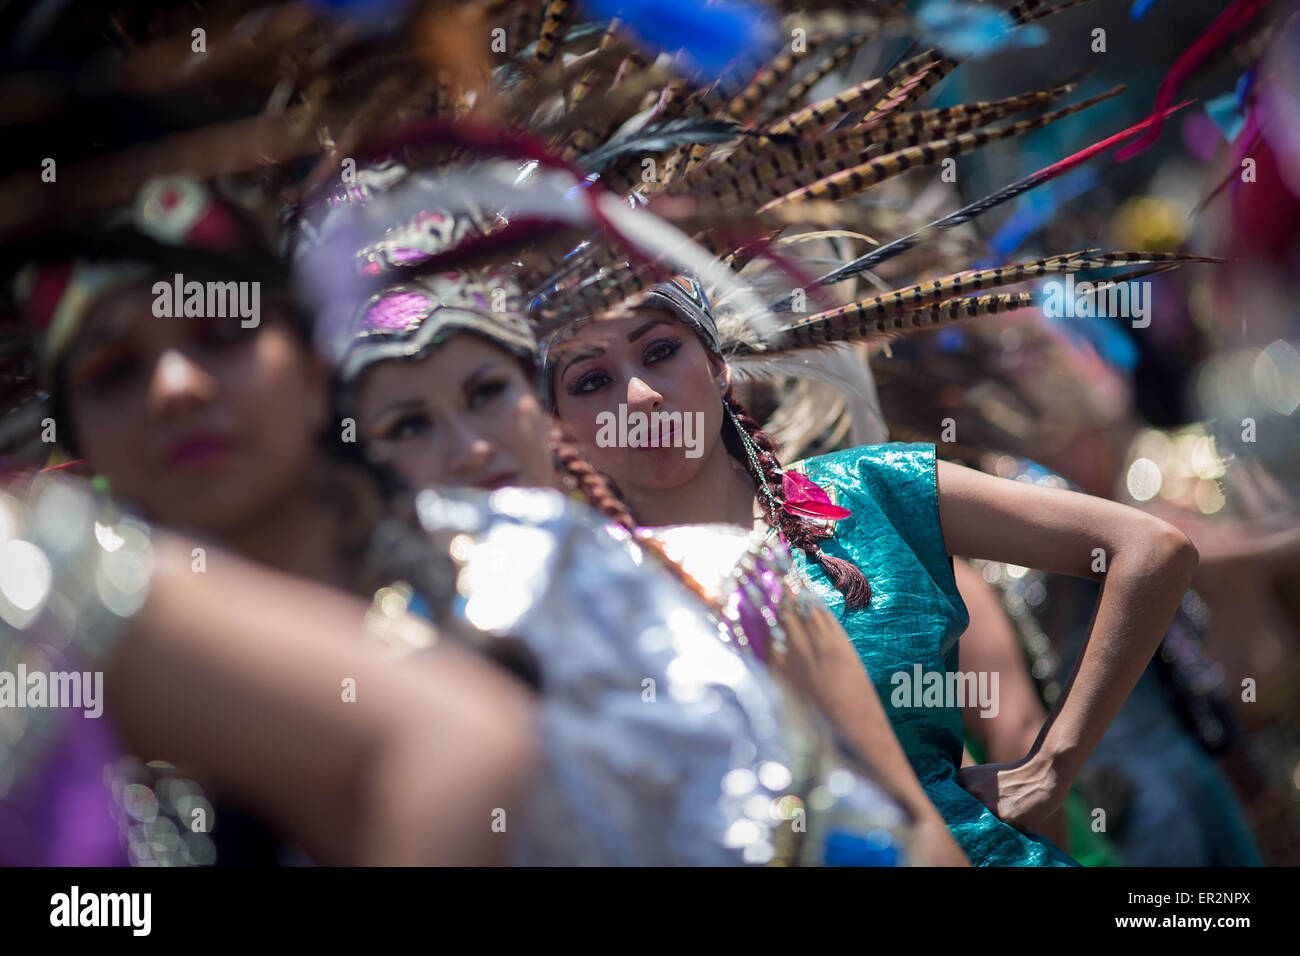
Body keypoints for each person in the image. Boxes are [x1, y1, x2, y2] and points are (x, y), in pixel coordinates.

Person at [541, 275, 1200, 865]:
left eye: (660, 351)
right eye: (590, 381)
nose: (640, 395)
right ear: (559, 429)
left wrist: (1054, 763)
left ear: (717, 367)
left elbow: (1148, 549)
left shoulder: (873, 488)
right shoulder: (593, 613)